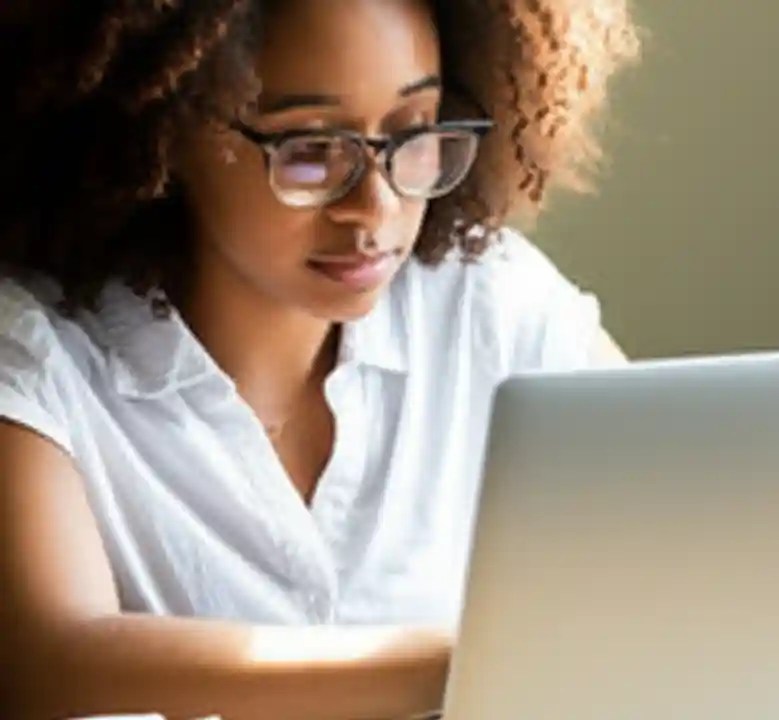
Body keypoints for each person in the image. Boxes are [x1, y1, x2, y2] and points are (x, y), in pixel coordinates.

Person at [0, 0, 638, 717]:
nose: (375, 204)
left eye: (414, 134)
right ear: (168, 131)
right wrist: (492, 659)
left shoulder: (492, 303)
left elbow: (693, 514)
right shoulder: (34, 355)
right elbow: (49, 658)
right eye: (309, 149)